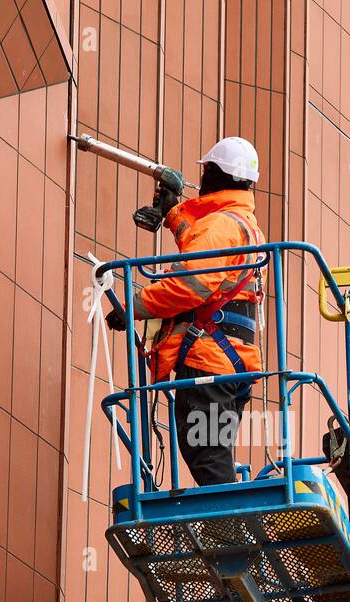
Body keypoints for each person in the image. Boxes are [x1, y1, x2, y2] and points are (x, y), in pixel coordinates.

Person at [107, 137, 265, 486]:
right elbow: (201, 253)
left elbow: (191, 284)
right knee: (210, 451)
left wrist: (133, 307)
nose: (203, 176)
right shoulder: (240, 223)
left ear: (216, 173)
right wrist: (172, 213)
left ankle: (231, 532)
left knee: (206, 454)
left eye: (207, 169)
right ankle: (231, 525)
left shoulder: (222, 226)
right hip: (231, 363)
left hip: (209, 360)